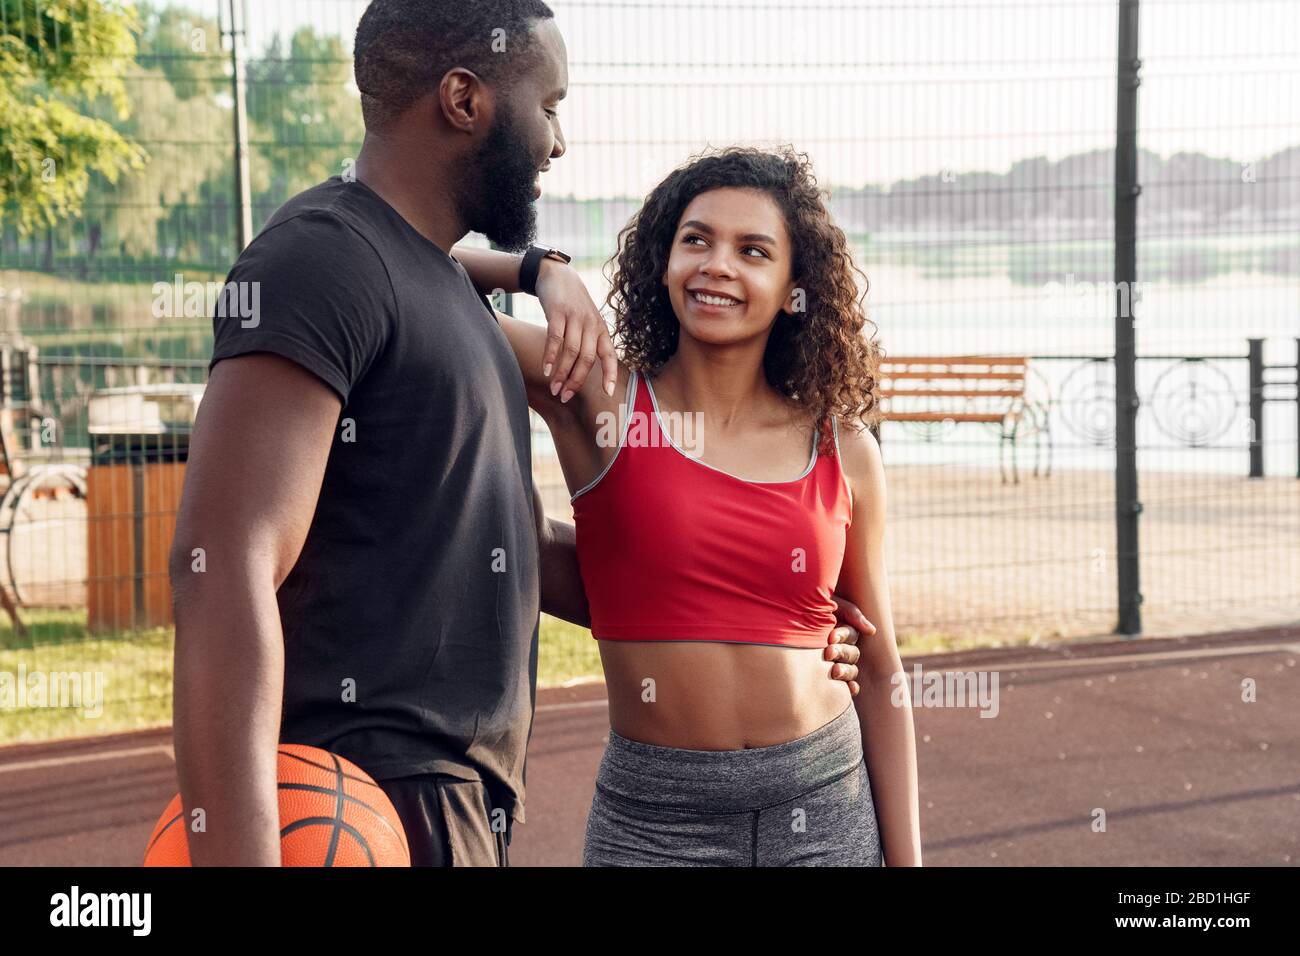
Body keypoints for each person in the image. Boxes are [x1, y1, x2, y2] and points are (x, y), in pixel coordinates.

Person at [169, 0, 868, 867]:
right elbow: (221, 563)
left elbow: (522, 545)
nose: (558, 141)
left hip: (462, 802)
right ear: (465, 100)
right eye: (549, 105)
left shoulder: (437, 285)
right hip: (365, 797)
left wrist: (770, 607)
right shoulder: (320, 258)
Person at [456, 146, 922, 865]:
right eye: (696, 240)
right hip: (658, 819)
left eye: (753, 250)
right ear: (662, 262)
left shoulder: (844, 446)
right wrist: (539, 271)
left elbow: (882, 667)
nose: (717, 265)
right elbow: (410, 270)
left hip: (826, 799)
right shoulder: (597, 393)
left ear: (794, 285)